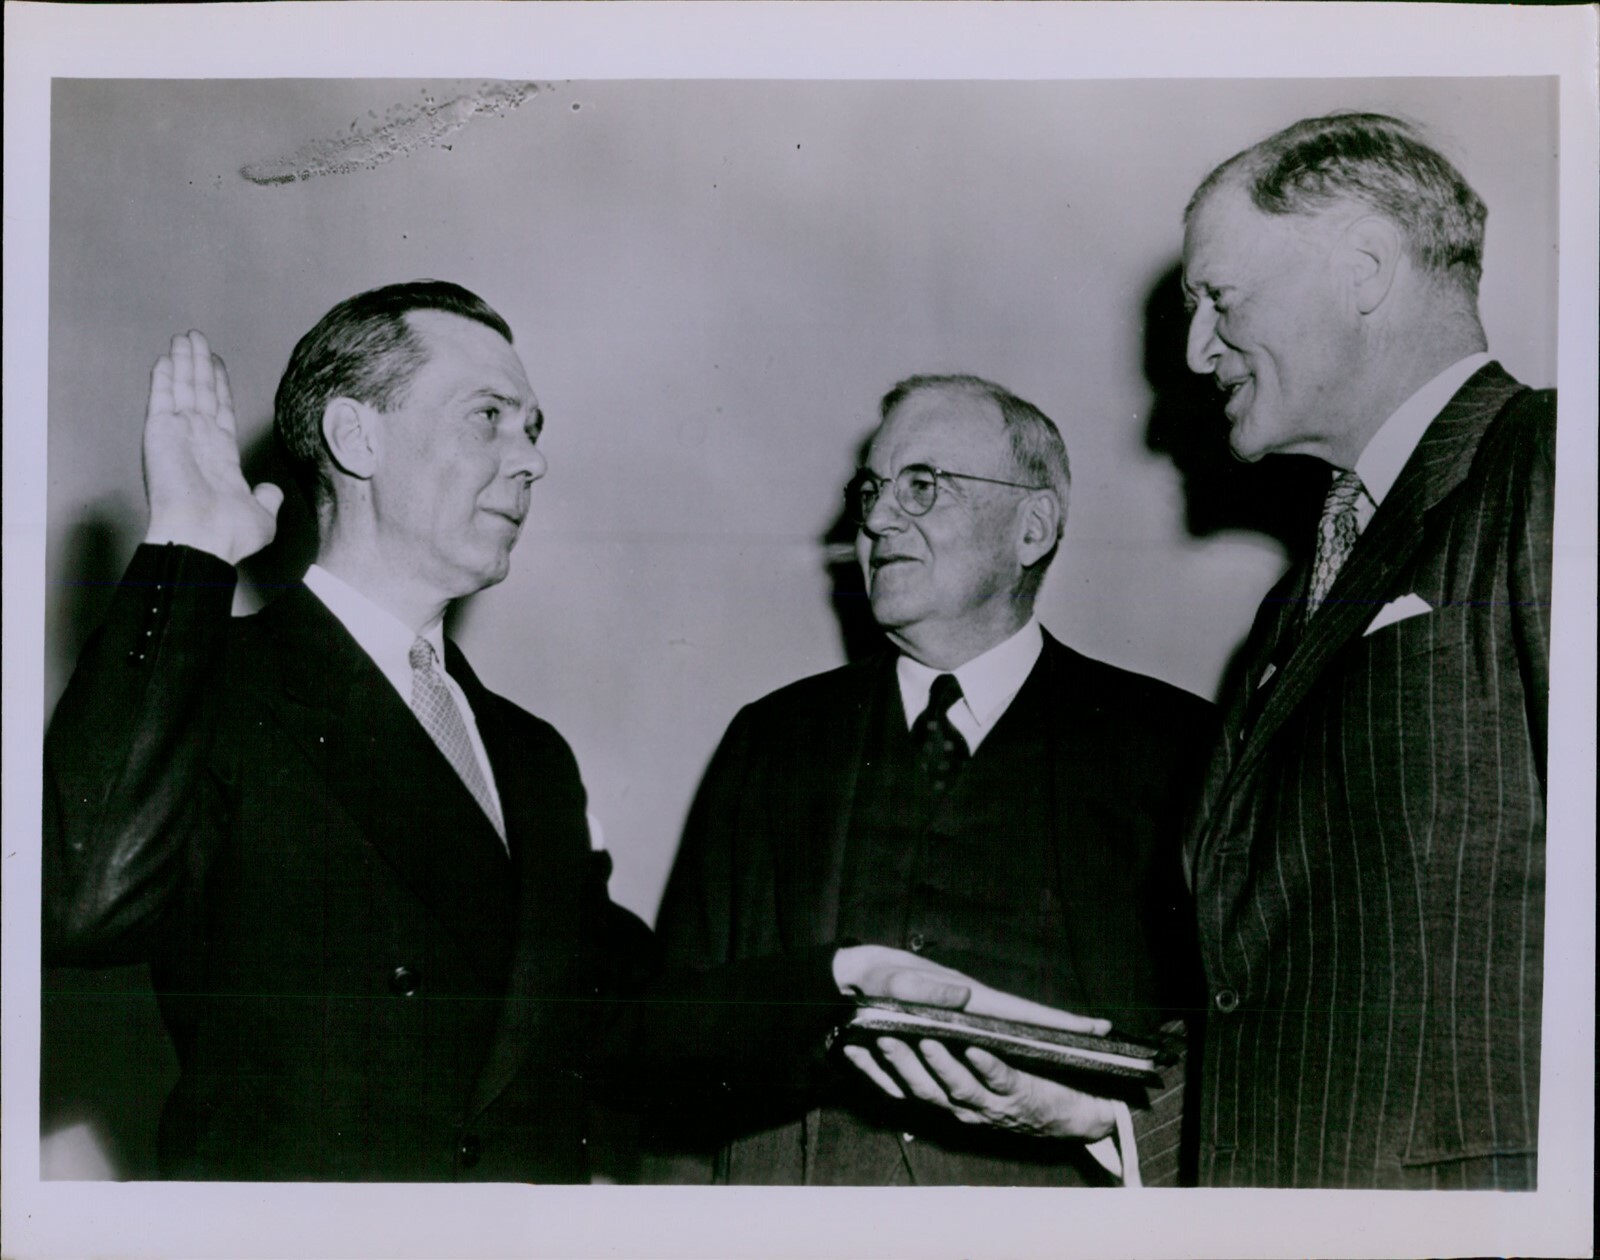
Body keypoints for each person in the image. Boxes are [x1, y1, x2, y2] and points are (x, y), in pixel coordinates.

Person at [42, 280, 976, 1181]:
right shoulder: (216, 682)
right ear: (356, 436)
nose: (531, 460)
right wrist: (190, 549)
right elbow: (88, 901)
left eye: (532, 430)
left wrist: (843, 986)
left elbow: (623, 1020)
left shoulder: (529, 756)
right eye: (487, 416)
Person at [646, 373, 1215, 1186]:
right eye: (872, 490)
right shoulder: (772, 742)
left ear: (1033, 528)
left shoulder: (1175, 748)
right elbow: (677, 1043)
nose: (876, 520)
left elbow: (1228, 1055)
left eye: (924, 486)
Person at [1177, 112, 1555, 1188]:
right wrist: (1090, 1100)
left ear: (1363, 268)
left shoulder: (1548, 464)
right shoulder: (1292, 602)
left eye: (1218, 298)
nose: (1193, 350)